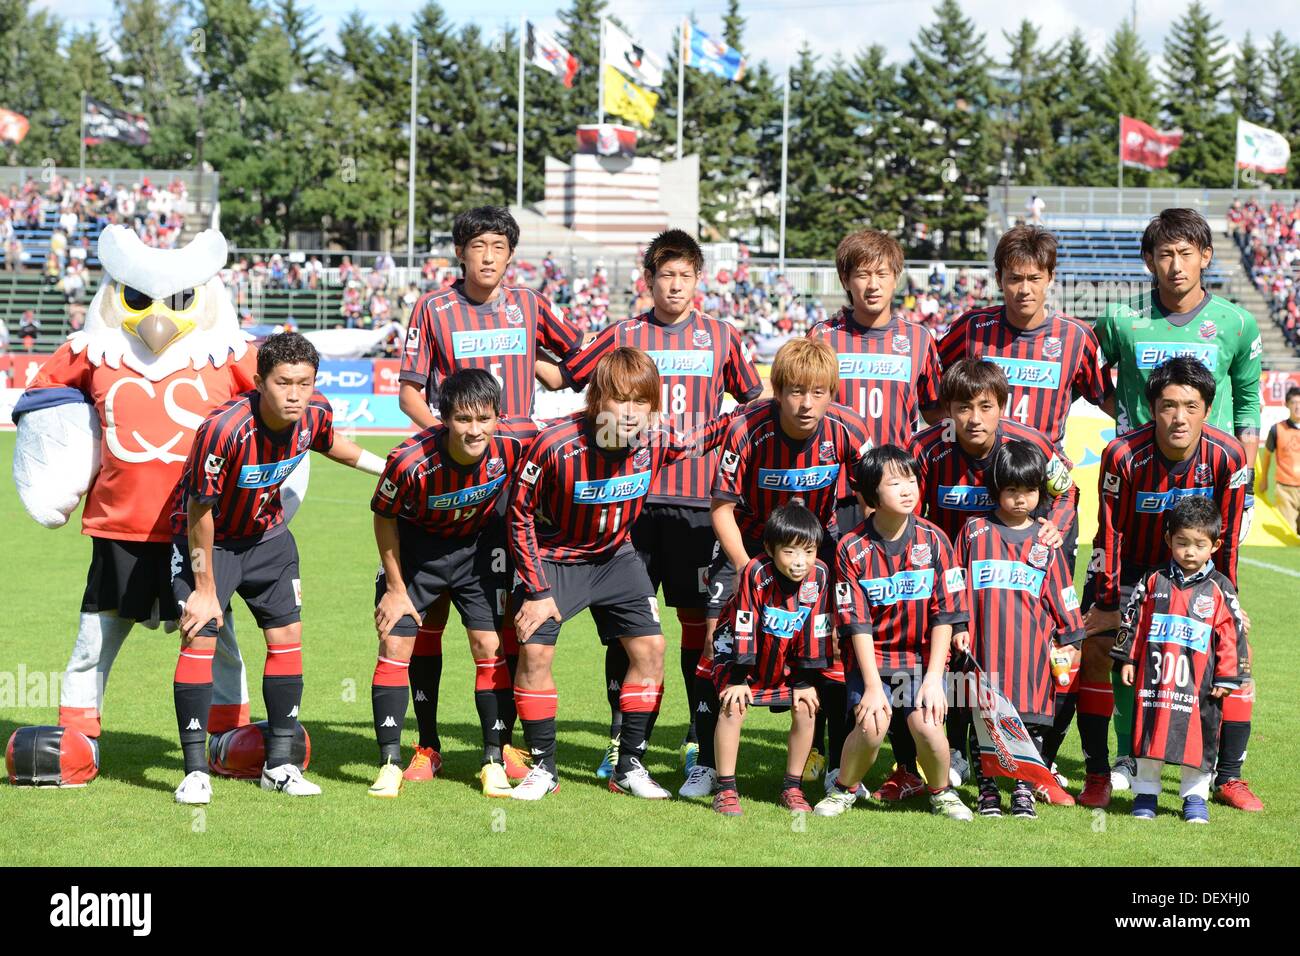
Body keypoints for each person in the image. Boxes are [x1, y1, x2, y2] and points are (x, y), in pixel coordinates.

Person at [560, 229, 763, 779]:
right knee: (628, 628)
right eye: (665, 275)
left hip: (700, 507)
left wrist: (718, 446)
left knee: (699, 627)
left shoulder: (722, 336)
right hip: (631, 505)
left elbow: (753, 404)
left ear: (700, 280)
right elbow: (570, 378)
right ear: (648, 281)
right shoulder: (624, 333)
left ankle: (696, 738)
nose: (675, 285)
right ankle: (620, 741)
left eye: (685, 276)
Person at [396, 206, 583, 784]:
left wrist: (548, 370)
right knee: (426, 622)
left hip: (516, 485)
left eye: (498, 246)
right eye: (477, 245)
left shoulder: (529, 305)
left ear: (510, 254)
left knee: (504, 617)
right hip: (449, 483)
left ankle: (500, 745)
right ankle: (427, 746)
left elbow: (578, 361)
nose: (487, 255)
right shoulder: (433, 308)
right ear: (460, 251)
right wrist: (444, 448)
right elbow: (410, 392)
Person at [168, 333, 386, 805]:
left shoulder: (314, 414)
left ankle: (280, 765)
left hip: (269, 541)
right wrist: (205, 588)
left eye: (304, 383)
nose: (294, 394)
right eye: (283, 382)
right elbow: (199, 510)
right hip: (211, 542)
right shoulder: (224, 430)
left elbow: (336, 446)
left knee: (286, 641)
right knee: (200, 632)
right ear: (259, 381)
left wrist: (390, 469)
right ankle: (193, 772)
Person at [506, 347, 730, 801]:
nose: (631, 413)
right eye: (620, 400)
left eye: (642, 402)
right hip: (555, 559)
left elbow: (709, 434)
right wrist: (536, 589)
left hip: (615, 558)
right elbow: (519, 514)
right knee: (535, 654)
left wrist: (770, 403)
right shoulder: (556, 444)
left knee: (651, 649)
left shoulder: (655, 440)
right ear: (597, 398)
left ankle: (628, 765)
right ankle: (544, 768)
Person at [686, 339, 871, 796]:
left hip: (816, 550)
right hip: (748, 546)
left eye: (818, 392)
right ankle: (708, 764)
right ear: (777, 389)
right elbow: (721, 508)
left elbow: (875, 494)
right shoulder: (747, 427)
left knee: (832, 649)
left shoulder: (849, 429)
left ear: (832, 393)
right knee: (715, 644)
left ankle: (822, 761)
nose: (806, 404)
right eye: (795, 391)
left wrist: (863, 554)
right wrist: (750, 571)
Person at [1079, 356, 1254, 810]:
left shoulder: (1228, 455)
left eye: (1191, 406)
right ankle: (1111, 766)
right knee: (1102, 651)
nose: (1179, 417)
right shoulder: (1122, 454)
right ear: (1152, 407)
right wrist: (1109, 601)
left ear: (1207, 409)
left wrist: (1230, 603)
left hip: (1197, 575)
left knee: (1237, 663)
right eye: (1168, 405)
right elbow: (1110, 532)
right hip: (1133, 569)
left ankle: (1226, 777)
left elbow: (1229, 537)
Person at [806, 228, 944, 786]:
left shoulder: (919, 338)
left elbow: (935, 413)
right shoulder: (824, 335)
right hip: (837, 499)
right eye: (861, 273)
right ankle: (829, 750)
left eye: (882, 273)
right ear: (846, 280)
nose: (872, 283)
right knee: (834, 625)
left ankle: (906, 761)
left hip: (894, 506)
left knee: (900, 619)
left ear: (896, 278)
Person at [366, 370, 538, 798]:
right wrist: (394, 587)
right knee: (396, 643)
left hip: (478, 553)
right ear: (443, 417)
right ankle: (402, 756)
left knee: (489, 646)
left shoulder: (517, 442)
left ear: (499, 416)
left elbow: (568, 438)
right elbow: (383, 516)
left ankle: (494, 757)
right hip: (418, 553)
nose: (474, 430)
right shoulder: (408, 461)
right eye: (463, 419)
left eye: (484, 418)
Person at [814, 444, 973, 821]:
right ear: (871, 494)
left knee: (929, 727)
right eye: (895, 482)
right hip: (874, 662)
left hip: (920, 663)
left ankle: (942, 793)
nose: (908, 489)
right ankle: (843, 790)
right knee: (872, 726)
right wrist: (871, 686)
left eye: (912, 480)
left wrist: (934, 679)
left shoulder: (935, 540)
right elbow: (857, 624)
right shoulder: (850, 548)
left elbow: (944, 616)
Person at [956, 440, 1085, 817]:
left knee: (1027, 728)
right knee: (984, 726)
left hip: (1029, 657)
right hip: (982, 652)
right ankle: (988, 791)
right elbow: (956, 584)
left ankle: (1024, 790)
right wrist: (959, 624)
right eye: (1011, 491)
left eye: (1028, 491)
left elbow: (1062, 593)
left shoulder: (1046, 541)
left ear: (1040, 493)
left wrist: (1070, 636)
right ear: (996, 490)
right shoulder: (974, 532)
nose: (1020, 499)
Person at [1111, 495, 1250, 823]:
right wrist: (1129, 659)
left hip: (1198, 686)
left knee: (1197, 740)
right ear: (1167, 540)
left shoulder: (1220, 588)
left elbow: (1232, 633)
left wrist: (1227, 676)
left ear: (1215, 545)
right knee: (1149, 735)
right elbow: (1134, 619)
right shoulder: (1153, 580)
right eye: (1182, 542)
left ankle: (1194, 797)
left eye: (1199, 545)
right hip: (1156, 682)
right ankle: (1145, 793)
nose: (1189, 551)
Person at [703, 500, 831, 815]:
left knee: (807, 707)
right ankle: (726, 788)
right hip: (738, 655)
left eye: (809, 552)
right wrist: (737, 678)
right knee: (733, 706)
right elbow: (744, 624)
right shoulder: (755, 573)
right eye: (790, 552)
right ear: (771, 549)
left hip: (785, 657)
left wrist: (803, 681)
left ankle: (792, 787)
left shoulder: (821, 576)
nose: (800, 561)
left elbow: (816, 629)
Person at [1259, 386, 1300, 535]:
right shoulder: (1277, 429)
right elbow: (1267, 456)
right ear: (1287, 405)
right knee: (1288, 533)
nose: (1297, 407)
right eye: (1294, 402)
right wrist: (1264, 480)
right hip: (1285, 489)